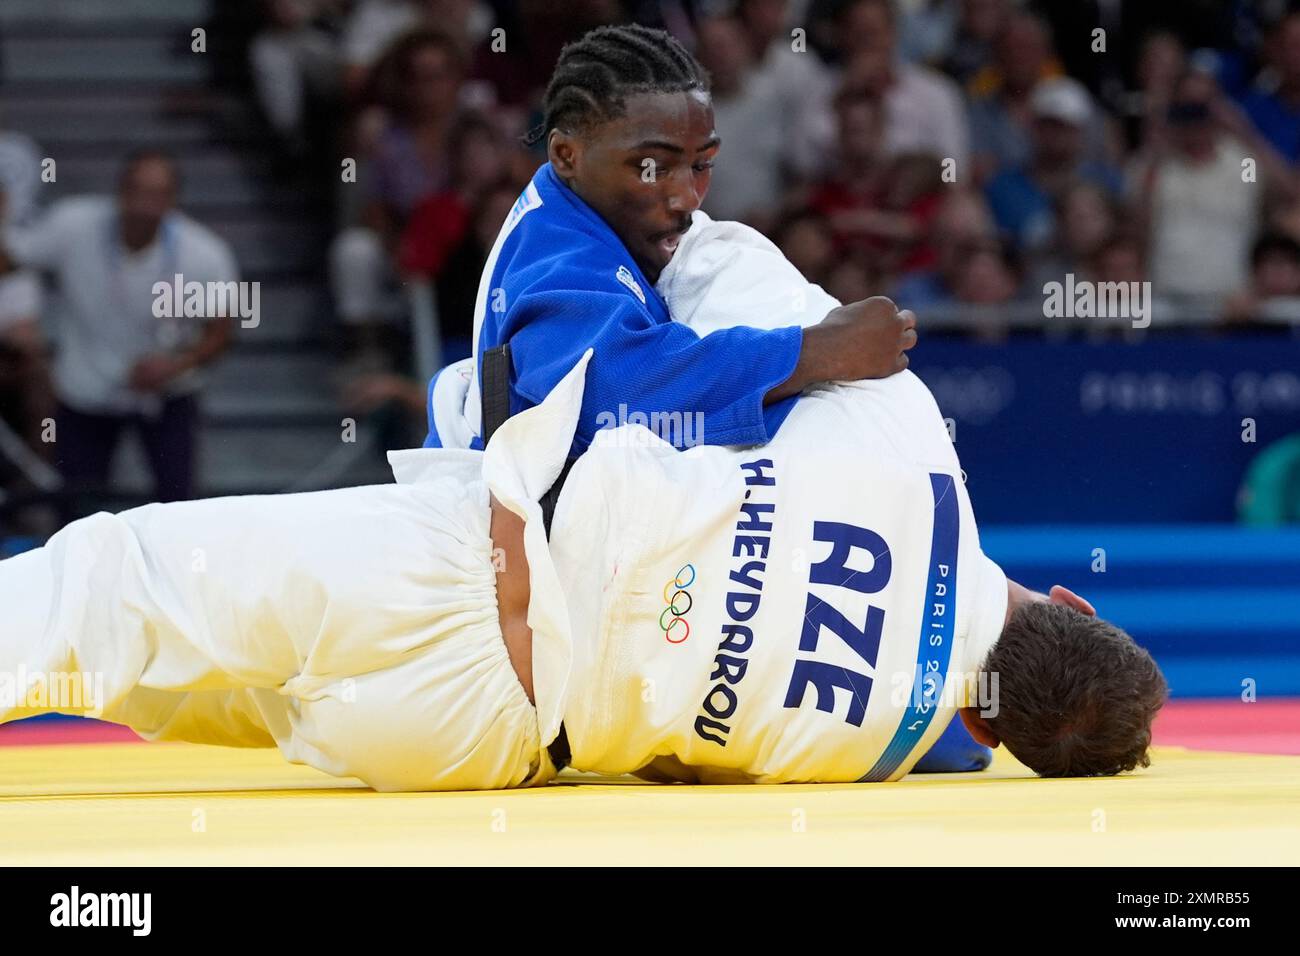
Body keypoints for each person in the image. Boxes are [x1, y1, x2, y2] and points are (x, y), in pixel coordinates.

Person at [0, 208, 1167, 791]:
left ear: (1066, 593)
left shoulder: (910, 439)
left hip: (465, 576)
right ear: (983, 726)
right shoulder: (864, 754)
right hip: (474, 740)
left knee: (117, 577)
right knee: (170, 675)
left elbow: (710, 259)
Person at [419, 23, 917, 456]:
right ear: (567, 154)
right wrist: (818, 350)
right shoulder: (554, 258)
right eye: (650, 167)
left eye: (701, 165)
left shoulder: (585, 217)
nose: (686, 197)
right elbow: (611, 401)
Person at [0, 150, 238, 519]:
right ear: (119, 192)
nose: (144, 205)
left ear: (173, 200)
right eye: (137, 191)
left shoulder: (203, 255)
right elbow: (12, 258)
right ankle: (80, 576)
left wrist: (178, 364)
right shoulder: (73, 225)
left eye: (157, 194)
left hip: (166, 393)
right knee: (76, 516)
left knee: (178, 512)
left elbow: (223, 330)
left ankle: (171, 573)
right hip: (86, 390)